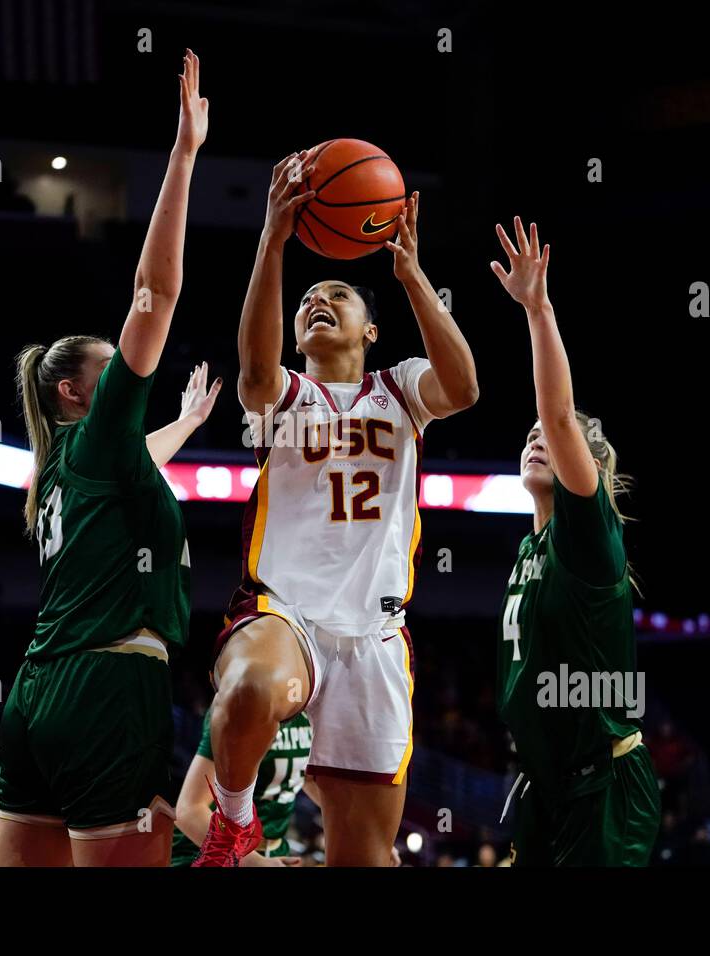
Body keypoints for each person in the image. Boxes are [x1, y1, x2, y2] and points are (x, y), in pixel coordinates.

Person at [197, 168, 479, 866]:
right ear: (296, 334)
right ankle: (235, 823)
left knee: (364, 855)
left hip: (376, 636)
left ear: (371, 330)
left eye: (339, 294)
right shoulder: (284, 394)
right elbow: (254, 371)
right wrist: (272, 241)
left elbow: (465, 388)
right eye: (309, 299)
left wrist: (412, 274)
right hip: (285, 612)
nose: (319, 300)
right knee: (251, 689)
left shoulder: (401, 387)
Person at [0, 50, 215, 867]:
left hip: (36, 691)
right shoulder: (95, 437)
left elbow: (139, 459)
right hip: (107, 688)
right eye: (111, 372)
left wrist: (187, 425)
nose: (128, 379)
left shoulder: (60, 464)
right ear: (81, 395)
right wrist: (184, 154)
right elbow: (154, 294)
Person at [489, 216, 659, 866]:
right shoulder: (528, 553)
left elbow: (559, 413)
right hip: (552, 784)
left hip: (606, 785)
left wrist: (538, 309)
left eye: (555, 440)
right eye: (527, 434)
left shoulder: (588, 539)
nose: (539, 436)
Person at [171, 704, 314, 866]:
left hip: (274, 851)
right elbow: (189, 810)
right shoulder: (241, 704)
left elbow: (305, 777)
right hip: (209, 852)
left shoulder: (308, 705)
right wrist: (251, 861)